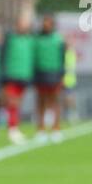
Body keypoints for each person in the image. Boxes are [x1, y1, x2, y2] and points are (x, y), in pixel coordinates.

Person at [1, 14, 36, 142]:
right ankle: (12, 128)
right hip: (11, 75)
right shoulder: (10, 38)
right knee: (12, 102)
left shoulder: (30, 39)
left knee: (18, 103)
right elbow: (2, 56)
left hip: (24, 75)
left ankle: (15, 127)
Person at [33, 13, 66, 142]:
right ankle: (40, 129)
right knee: (41, 101)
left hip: (54, 73)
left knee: (55, 102)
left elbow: (62, 58)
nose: (45, 26)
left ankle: (56, 129)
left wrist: (61, 75)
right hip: (40, 73)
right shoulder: (37, 39)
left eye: (48, 23)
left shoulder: (58, 40)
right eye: (44, 23)